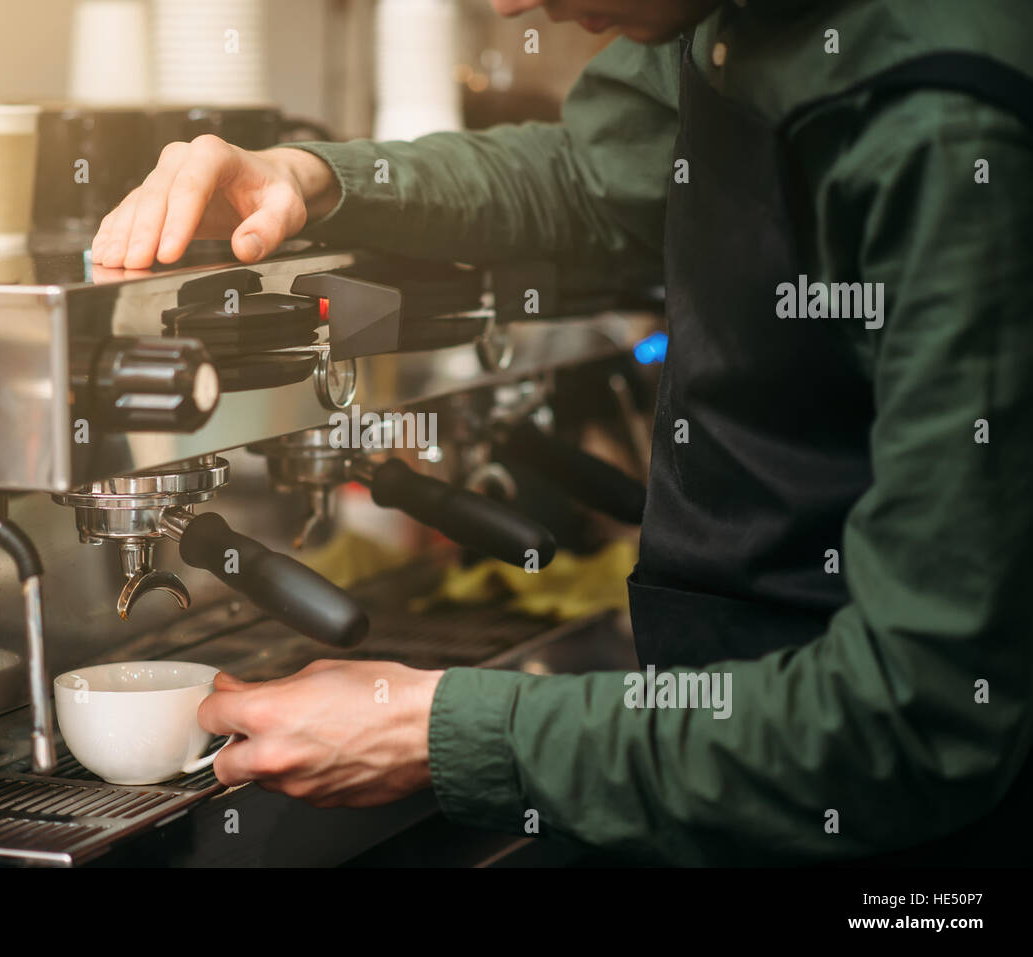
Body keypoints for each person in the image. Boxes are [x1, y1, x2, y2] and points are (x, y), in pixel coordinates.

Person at [91, 0, 1033, 864]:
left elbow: (915, 723)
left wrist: (439, 731)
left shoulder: (939, 128)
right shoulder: (722, 20)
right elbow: (597, 175)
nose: (507, 6)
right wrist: (313, 178)